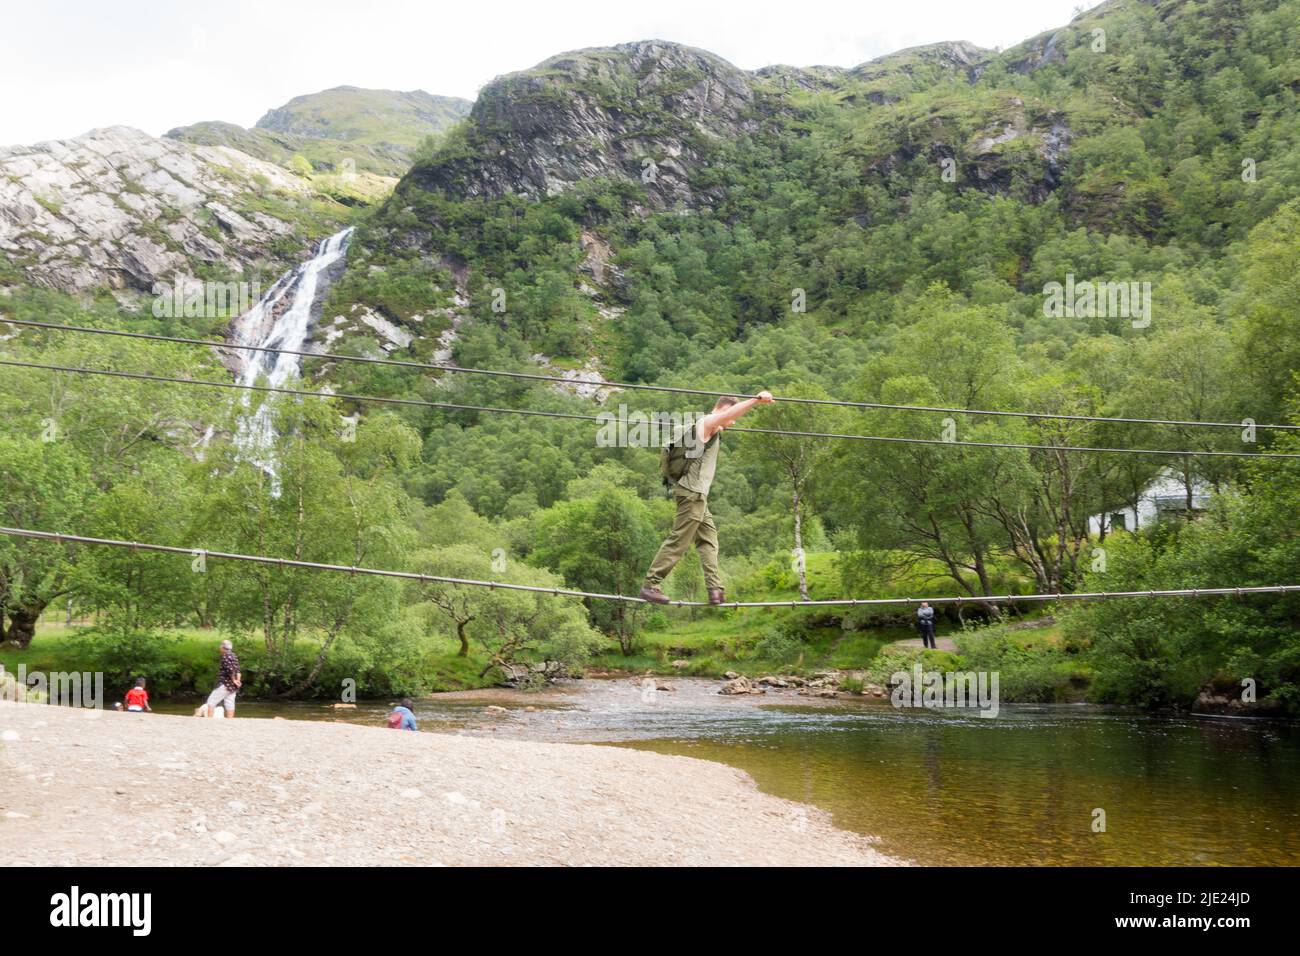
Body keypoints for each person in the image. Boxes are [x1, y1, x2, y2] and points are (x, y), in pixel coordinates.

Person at [640, 391, 775, 606]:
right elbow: (723, 418)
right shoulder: (706, 423)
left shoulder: (712, 430)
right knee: (679, 540)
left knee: (708, 540)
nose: (733, 422)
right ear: (723, 409)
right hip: (692, 495)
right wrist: (757, 401)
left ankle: (715, 589)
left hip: (698, 497)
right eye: (732, 417)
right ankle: (650, 585)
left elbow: (722, 422)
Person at [205, 639, 241, 718]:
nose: (220, 648)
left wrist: (234, 680)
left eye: (220, 647)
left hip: (225, 683)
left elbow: (230, 670)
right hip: (232, 685)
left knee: (211, 701)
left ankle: (209, 720)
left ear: (223, 647)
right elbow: (238, 670)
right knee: (230, 702)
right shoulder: (234, 655)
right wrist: (238, 680)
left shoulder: (225, 656)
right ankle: (230, 720)